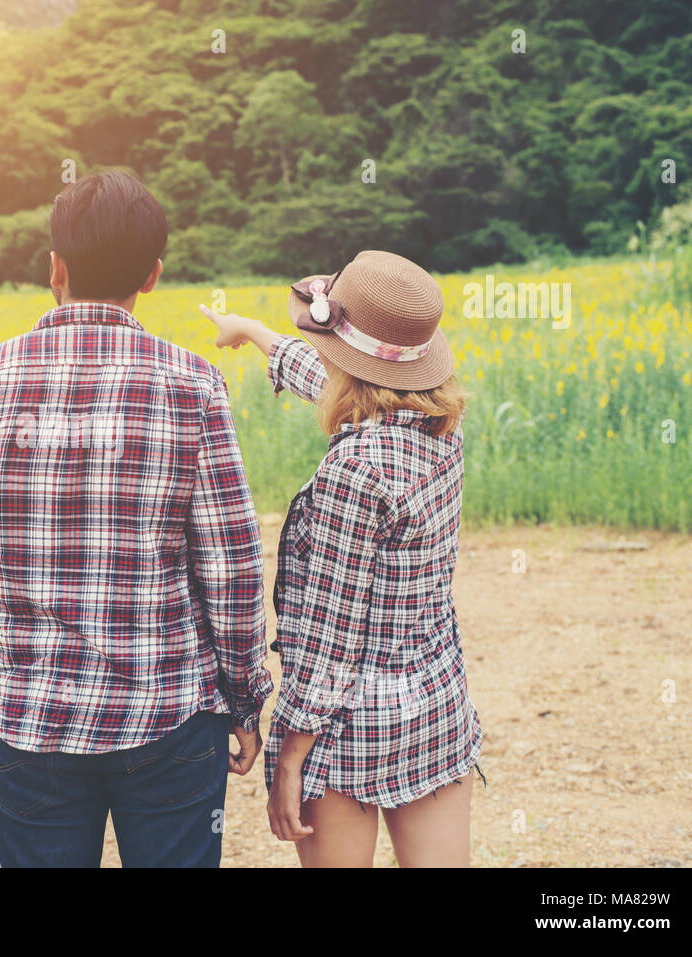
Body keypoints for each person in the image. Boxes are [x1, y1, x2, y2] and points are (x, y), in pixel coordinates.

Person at [0, 170, 273, 867]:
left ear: (57, 268)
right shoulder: (193, 386)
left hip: (30, 717)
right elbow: (231, 566)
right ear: (153, 274)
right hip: (171, 720)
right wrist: (243, 698)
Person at [201, 249, 485, 867]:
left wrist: (290, 758)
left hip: (347, 733)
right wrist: (252, 334)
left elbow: (331, 645)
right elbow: (332, 376)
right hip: (434, 707)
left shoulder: (353, 472)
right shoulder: (442, 425)